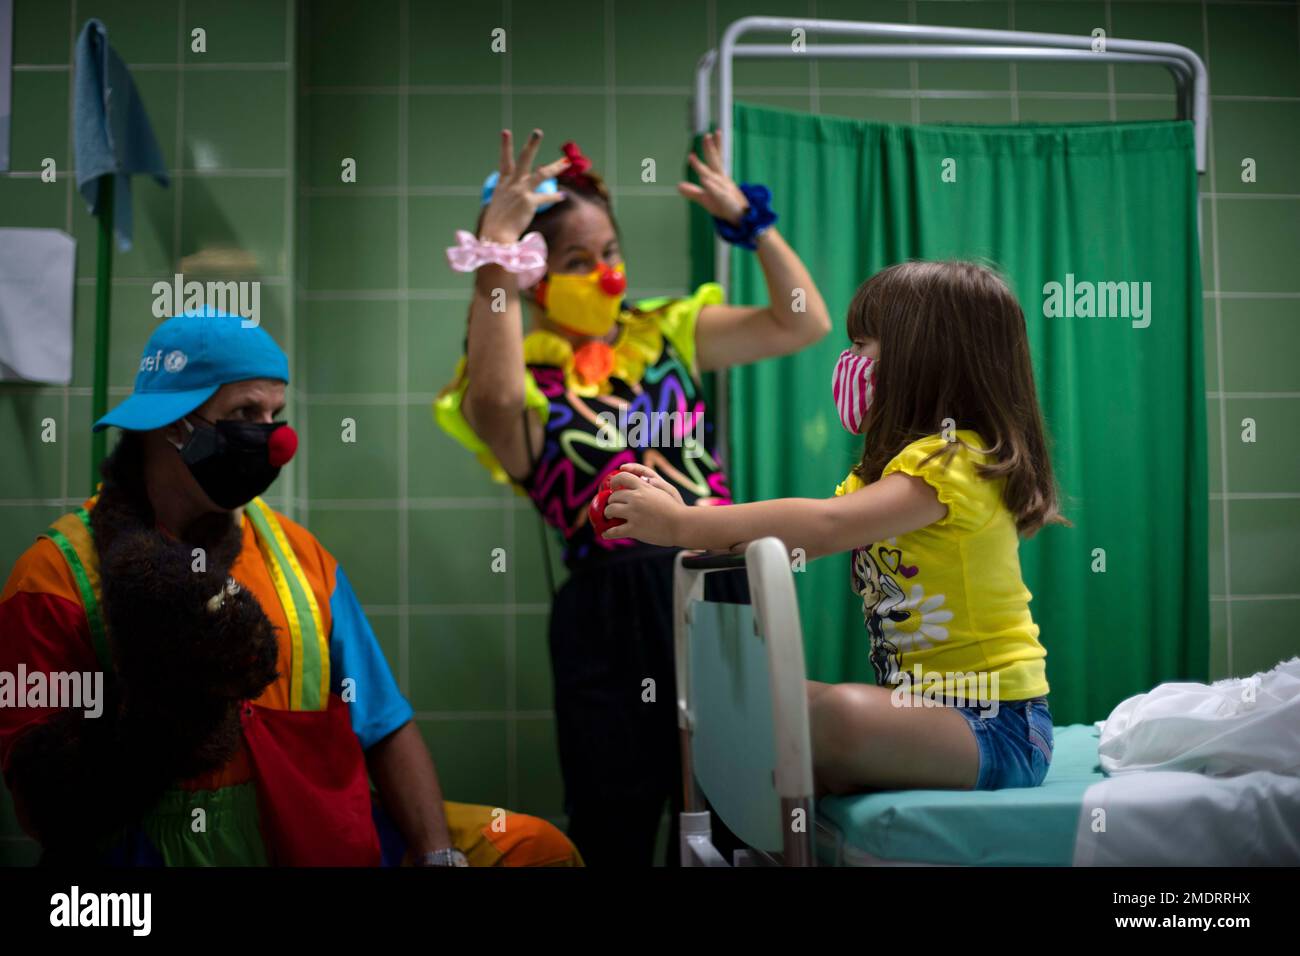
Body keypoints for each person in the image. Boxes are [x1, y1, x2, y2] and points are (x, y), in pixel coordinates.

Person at [0, 309, 581, 867]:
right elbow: (41, 798)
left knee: (536, 848)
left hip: (315, 836)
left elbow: (383, 724)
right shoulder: (56, 576)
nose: (275, 440)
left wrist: (437, 854)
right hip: (150, 854)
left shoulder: (300, 558)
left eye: (275, 413)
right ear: (172, 425)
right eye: (245, 411)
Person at [435, 129, 831, 865]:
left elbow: (803, 319)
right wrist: (496, 251)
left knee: (742, 818)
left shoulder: (665, 332)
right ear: (535, 275)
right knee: (612, 821)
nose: (608, 273)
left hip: (721, 580)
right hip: (608, 610)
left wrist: (753, 226)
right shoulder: (519, 376)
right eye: (578, 261)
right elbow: (493, 402)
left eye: (611, 250)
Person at [600, 260, 1065, 797]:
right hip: (924, 712)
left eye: (863, 344)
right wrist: (678, 511)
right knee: (755, 699)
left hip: (996, 725)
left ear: (924, 357)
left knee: (836, 714)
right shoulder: (887, 475)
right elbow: (781, 536)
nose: (849, 361)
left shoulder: (954, 460)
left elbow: (825, 525)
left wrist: (682, 523)